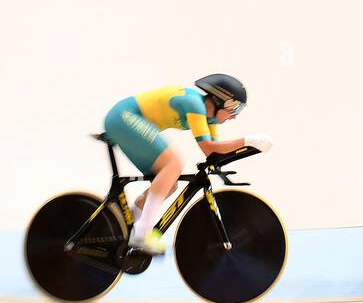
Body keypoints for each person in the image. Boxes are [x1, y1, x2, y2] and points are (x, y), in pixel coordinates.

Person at [102, 74, 272, 255]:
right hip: (123, 116)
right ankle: (143, 232)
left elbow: (214, 153)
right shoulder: (194, 104)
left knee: (169, 183)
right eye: (235, 109)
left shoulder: (210, 119)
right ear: (221, 100)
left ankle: (127, 229)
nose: (235, 117)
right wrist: (247, 140)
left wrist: (248, 150)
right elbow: (208, 147)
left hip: (127, 122)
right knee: (173, 165)